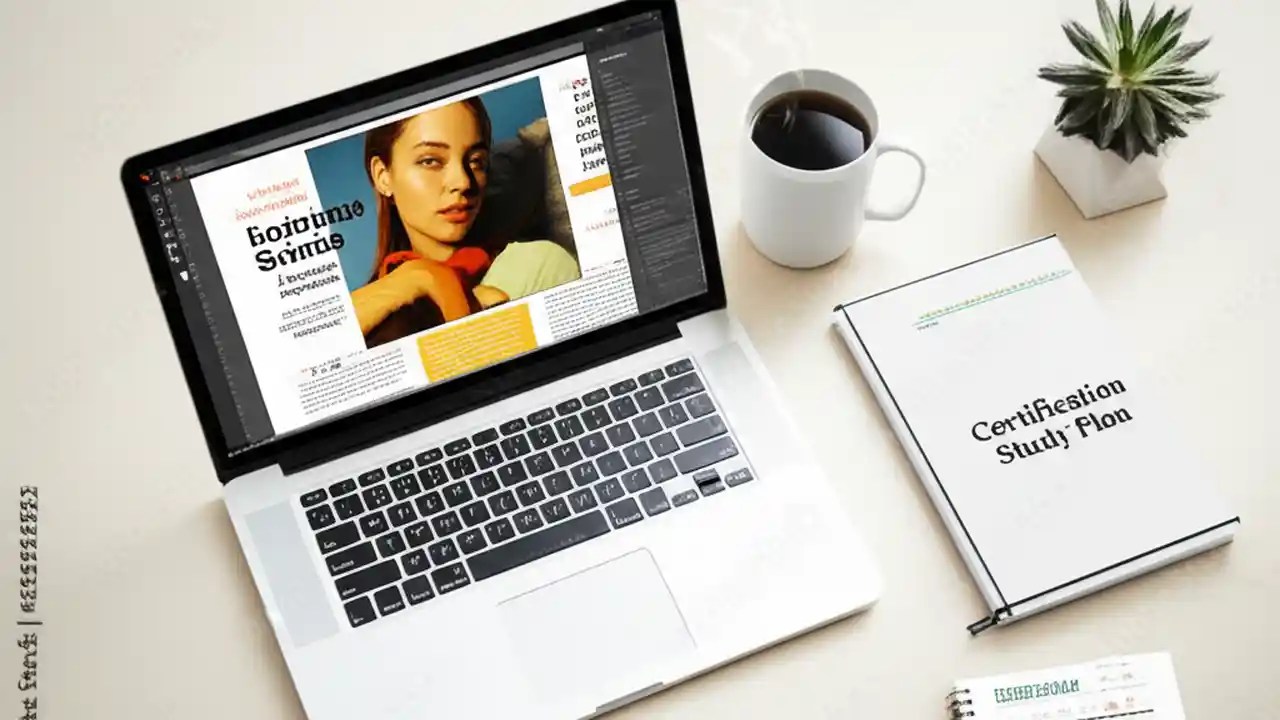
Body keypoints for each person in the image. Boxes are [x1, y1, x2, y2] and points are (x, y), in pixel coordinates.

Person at [351, 98, 580, 346]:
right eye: (431, 161)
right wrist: (419, 277)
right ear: (383, 176)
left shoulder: (535, 266)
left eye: (475, 161)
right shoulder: (371, 302)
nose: (463, 182)